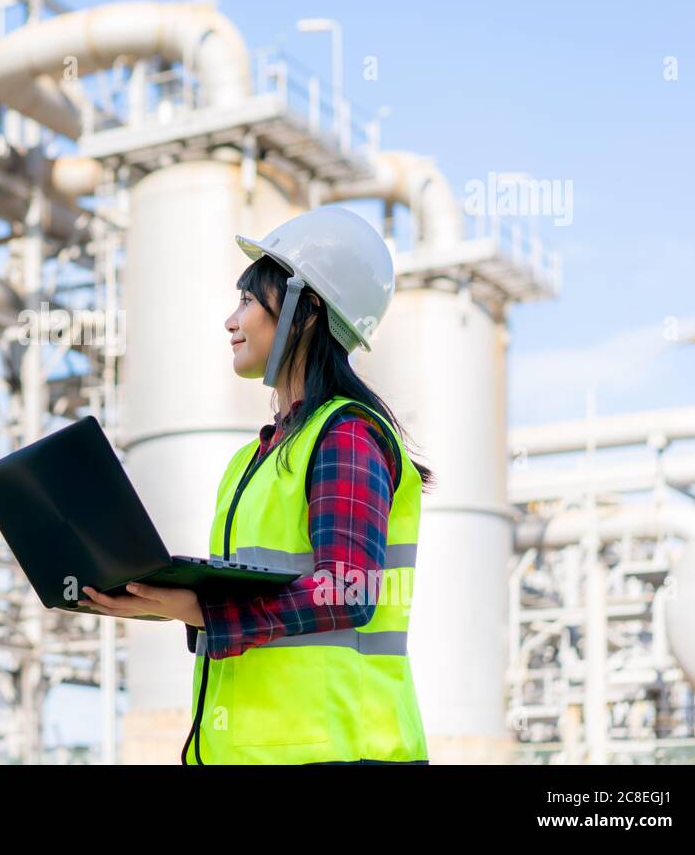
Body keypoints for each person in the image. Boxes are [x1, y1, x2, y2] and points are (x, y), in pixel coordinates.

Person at [83, 205, 436, 764]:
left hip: (342, 751)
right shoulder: (256, 457)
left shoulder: (345, 436)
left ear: (305, 311)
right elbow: (254, 600)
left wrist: (205, 612)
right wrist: (160, 600)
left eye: (247, 301)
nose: (231, 320)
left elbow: (348, 589)